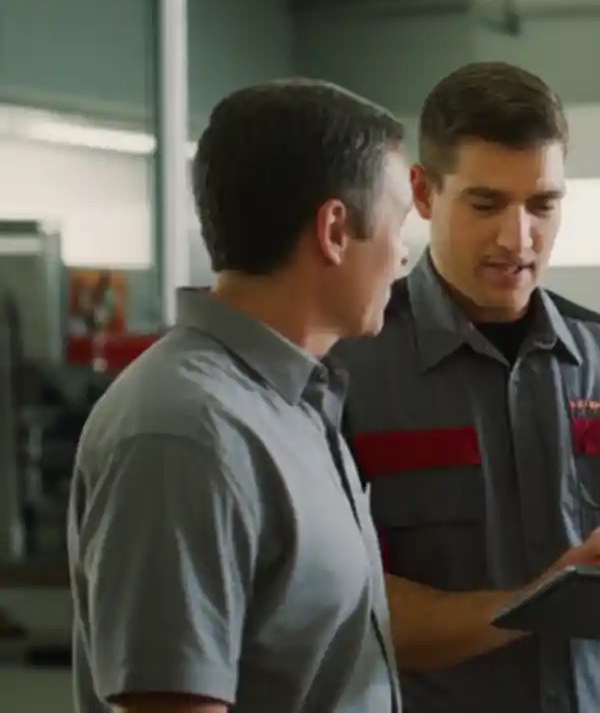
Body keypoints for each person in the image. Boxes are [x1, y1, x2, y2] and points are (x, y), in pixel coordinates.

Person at [331, 61, 600, 713]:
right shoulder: (347, 368)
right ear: (423, 193)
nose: (517, 239)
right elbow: (338, 606)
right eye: (486, 203)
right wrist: (537, 605)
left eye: (543, 204)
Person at [66, 78, 416, 713]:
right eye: (400, 224)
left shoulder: (295, 405)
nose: (402, 256)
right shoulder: (185, 435)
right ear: (335, 229)